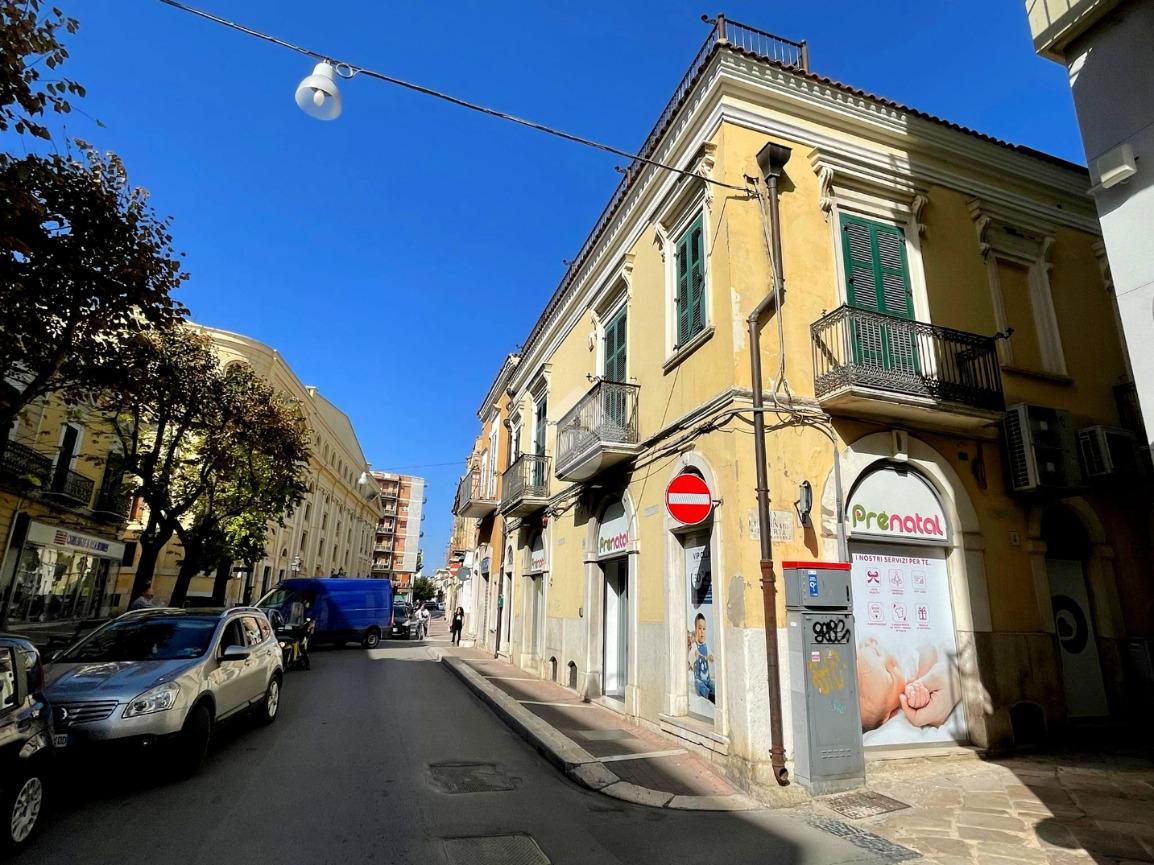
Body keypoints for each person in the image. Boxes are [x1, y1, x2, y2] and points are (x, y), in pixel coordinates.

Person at [687, 613, 715, 703]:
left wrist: (711, 657)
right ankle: (709, 695)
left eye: (704, 629)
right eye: (699, 628)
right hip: (699, 680)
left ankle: (714, 693)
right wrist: (694, 654)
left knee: (712, 684)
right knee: (699, 684)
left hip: (707, 679)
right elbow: (691, 657)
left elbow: (711, 656)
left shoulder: (706, 646)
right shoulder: (695, 646)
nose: (702, 631)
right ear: (695, 630)